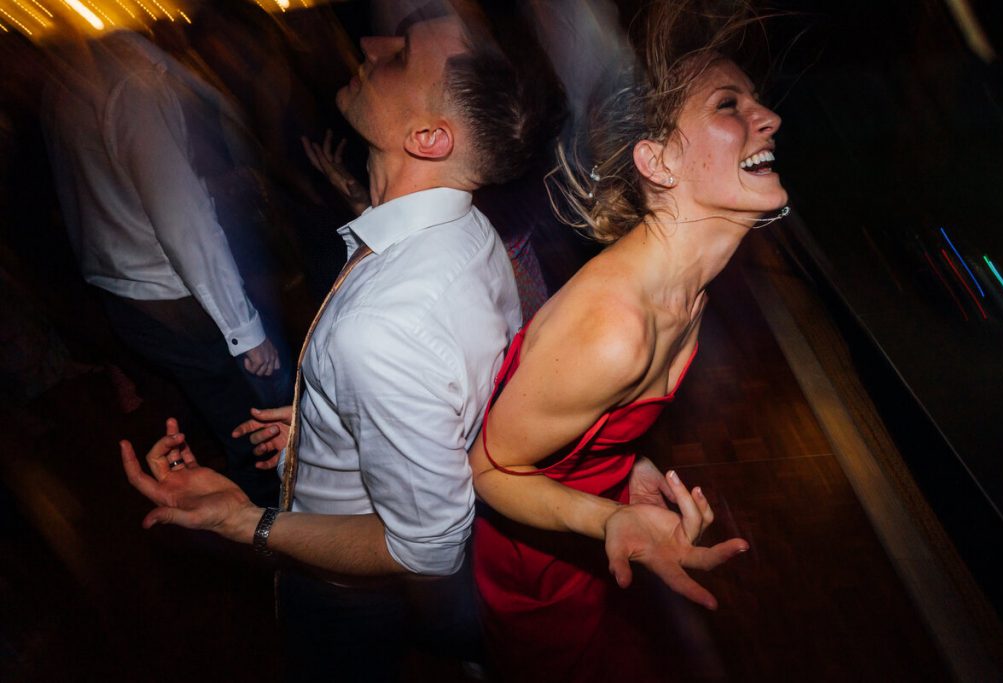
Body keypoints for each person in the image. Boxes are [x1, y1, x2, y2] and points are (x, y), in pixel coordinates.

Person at [120, 7, 554, 681]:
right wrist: (335, 420)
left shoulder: (381, 326)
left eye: (403, 54)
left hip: (339, 595)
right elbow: (457, 394)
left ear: (430, 137)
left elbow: (427, 547)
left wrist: (248, 523)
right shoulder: (469, 237)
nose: (370, 44)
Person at [468, 2, 786, 680]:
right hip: (538, 560)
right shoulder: (616, 328)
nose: (769, 119)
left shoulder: (689, 293)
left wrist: (627, 471)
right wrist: (605, 517)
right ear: (660, 160)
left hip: (584, 521)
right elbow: (486, 469)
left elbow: (598, 422)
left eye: (757, 102)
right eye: (730, 105)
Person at [42, 28, 290, 506]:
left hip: (125, 291)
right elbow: (181, 218)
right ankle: (293, 530)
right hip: (171, 294)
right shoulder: (131, 83)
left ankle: (271, 515)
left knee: (224, 415)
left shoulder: (68, 81)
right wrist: (244, 330)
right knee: (261, 424)